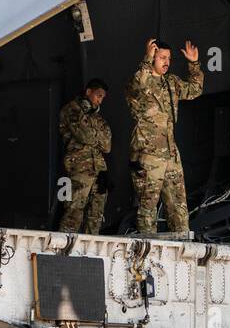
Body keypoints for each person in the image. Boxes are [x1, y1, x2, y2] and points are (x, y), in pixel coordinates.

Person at [126, 38, 203, 235]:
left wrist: (194, 64)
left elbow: (194, 90)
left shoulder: (171, 82)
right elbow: (137, 86)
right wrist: (146, 59)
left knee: (178, 206)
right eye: (161, 57)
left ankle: (183, 249)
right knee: (148, 206)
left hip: (170, 154)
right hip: (148, 153)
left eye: (168, 58)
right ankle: (148, 250)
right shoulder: (140, 79)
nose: (166, 61)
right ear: (152, 57)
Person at [57, 78, 112, 234]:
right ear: (88, 92)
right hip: (78, 169)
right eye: (98, 95)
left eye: (102, 98)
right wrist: (97, 137)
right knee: (73, 213)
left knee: (95, 217)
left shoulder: (97, 118)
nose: (99, 100)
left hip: (99, 171)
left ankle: (89, 254)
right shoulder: (72, 109)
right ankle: (63, 253)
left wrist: (93, 135)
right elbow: (85, 135)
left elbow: (107, 146)